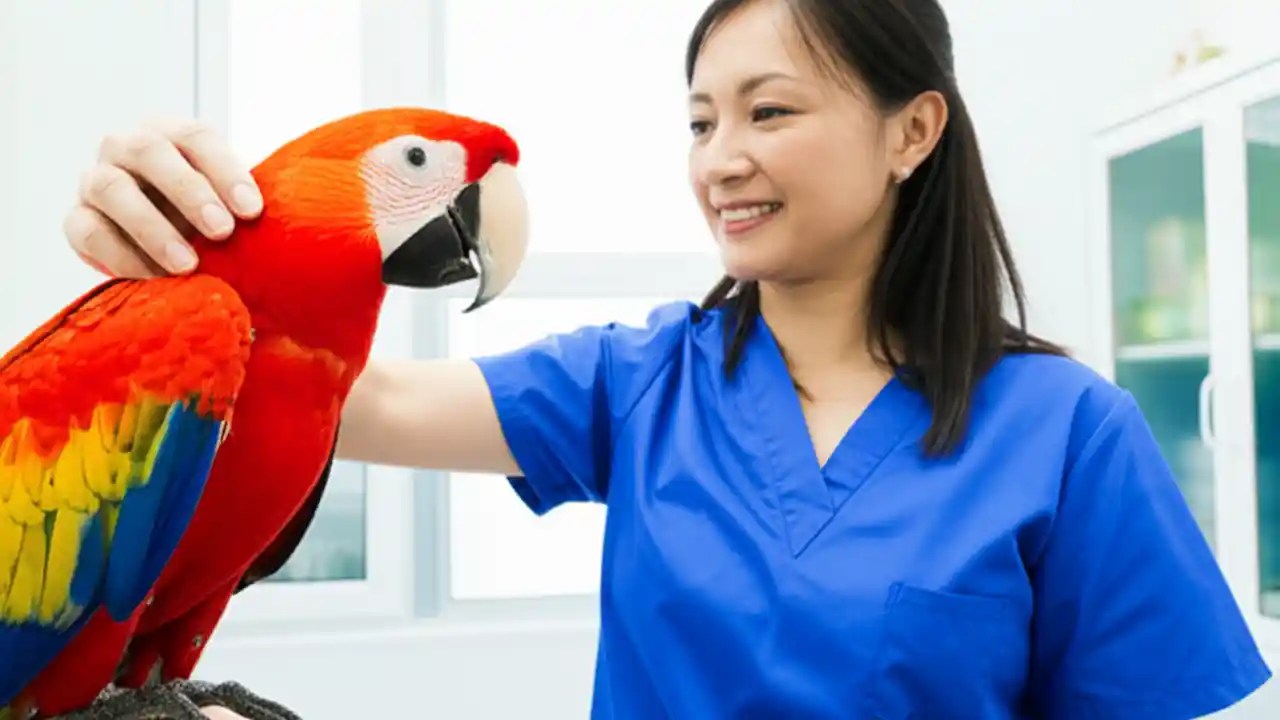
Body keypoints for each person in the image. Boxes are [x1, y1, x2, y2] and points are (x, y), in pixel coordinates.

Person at [60, 0, 1272, 717]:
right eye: (699, 120)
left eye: (770, 111)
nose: (718, 159)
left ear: (913, 130)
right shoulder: (638, 383)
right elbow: (327, 397)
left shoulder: (1068, 430)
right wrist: (191, 276)